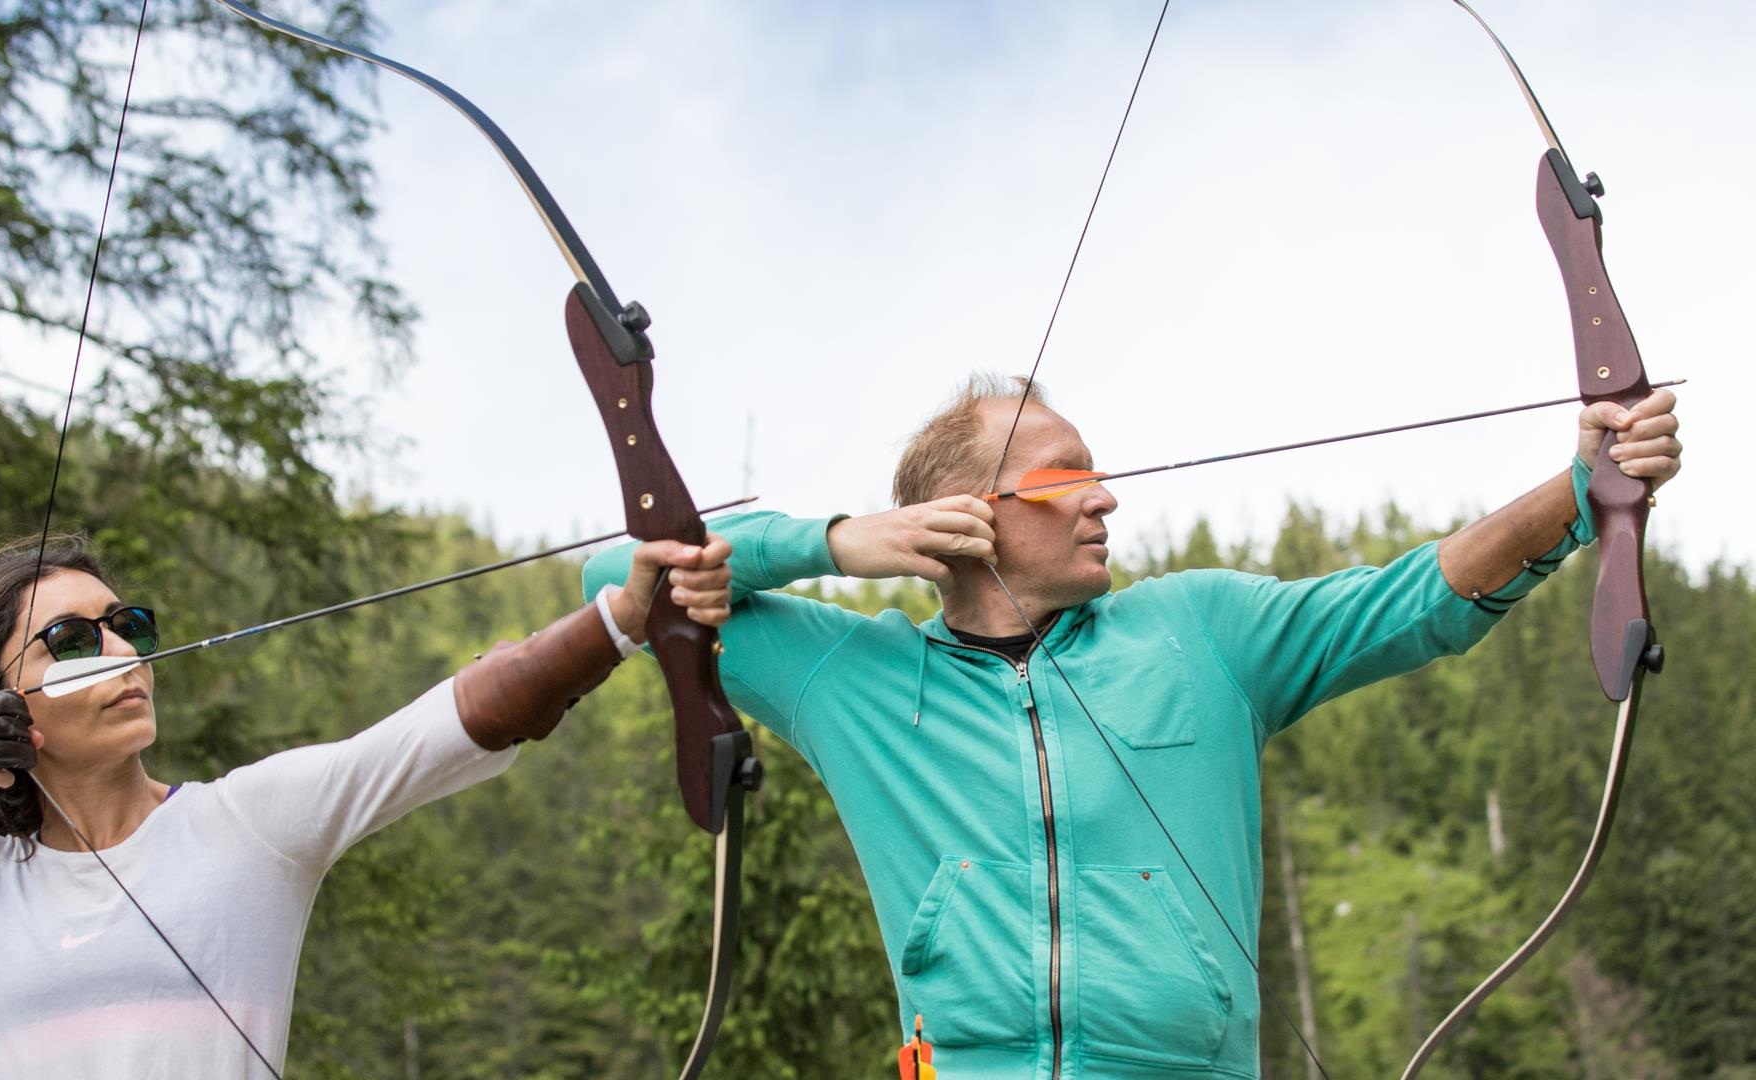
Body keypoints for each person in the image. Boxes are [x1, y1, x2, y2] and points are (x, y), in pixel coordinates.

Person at [583, 374, 1684, 1079]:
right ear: (961, 517)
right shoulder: (851, 678)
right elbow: (622, 582)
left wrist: (1582, 490)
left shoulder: (1200, 631)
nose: (1102, 498)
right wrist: (835, 541)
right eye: (1065, 479)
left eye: (1099, 476)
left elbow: (1414, 599)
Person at [0, 531, 733, 1079]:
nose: (121, 653)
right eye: (70, 641)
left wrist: (622, 618)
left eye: (128, 626)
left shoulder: (246, 826)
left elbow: (451, 725)